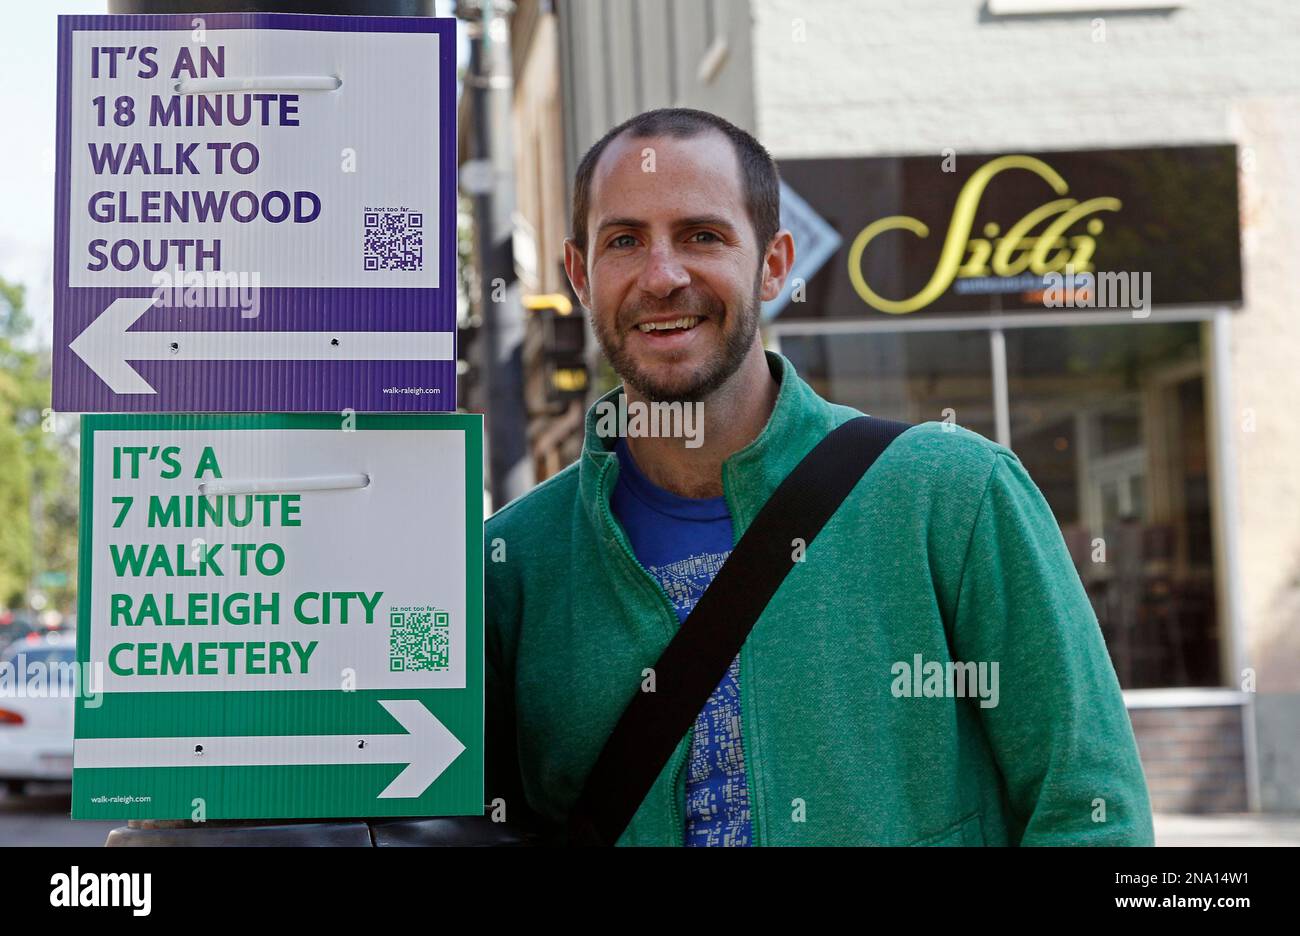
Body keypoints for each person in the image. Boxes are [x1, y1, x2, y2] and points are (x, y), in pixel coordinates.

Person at [484, 107, 1154, 846]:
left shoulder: (953, 496)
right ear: (581, 274)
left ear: (773, 264)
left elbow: (1090, 810)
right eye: (624, 241)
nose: (662, 275)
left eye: (702, 236)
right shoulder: (511, 568)